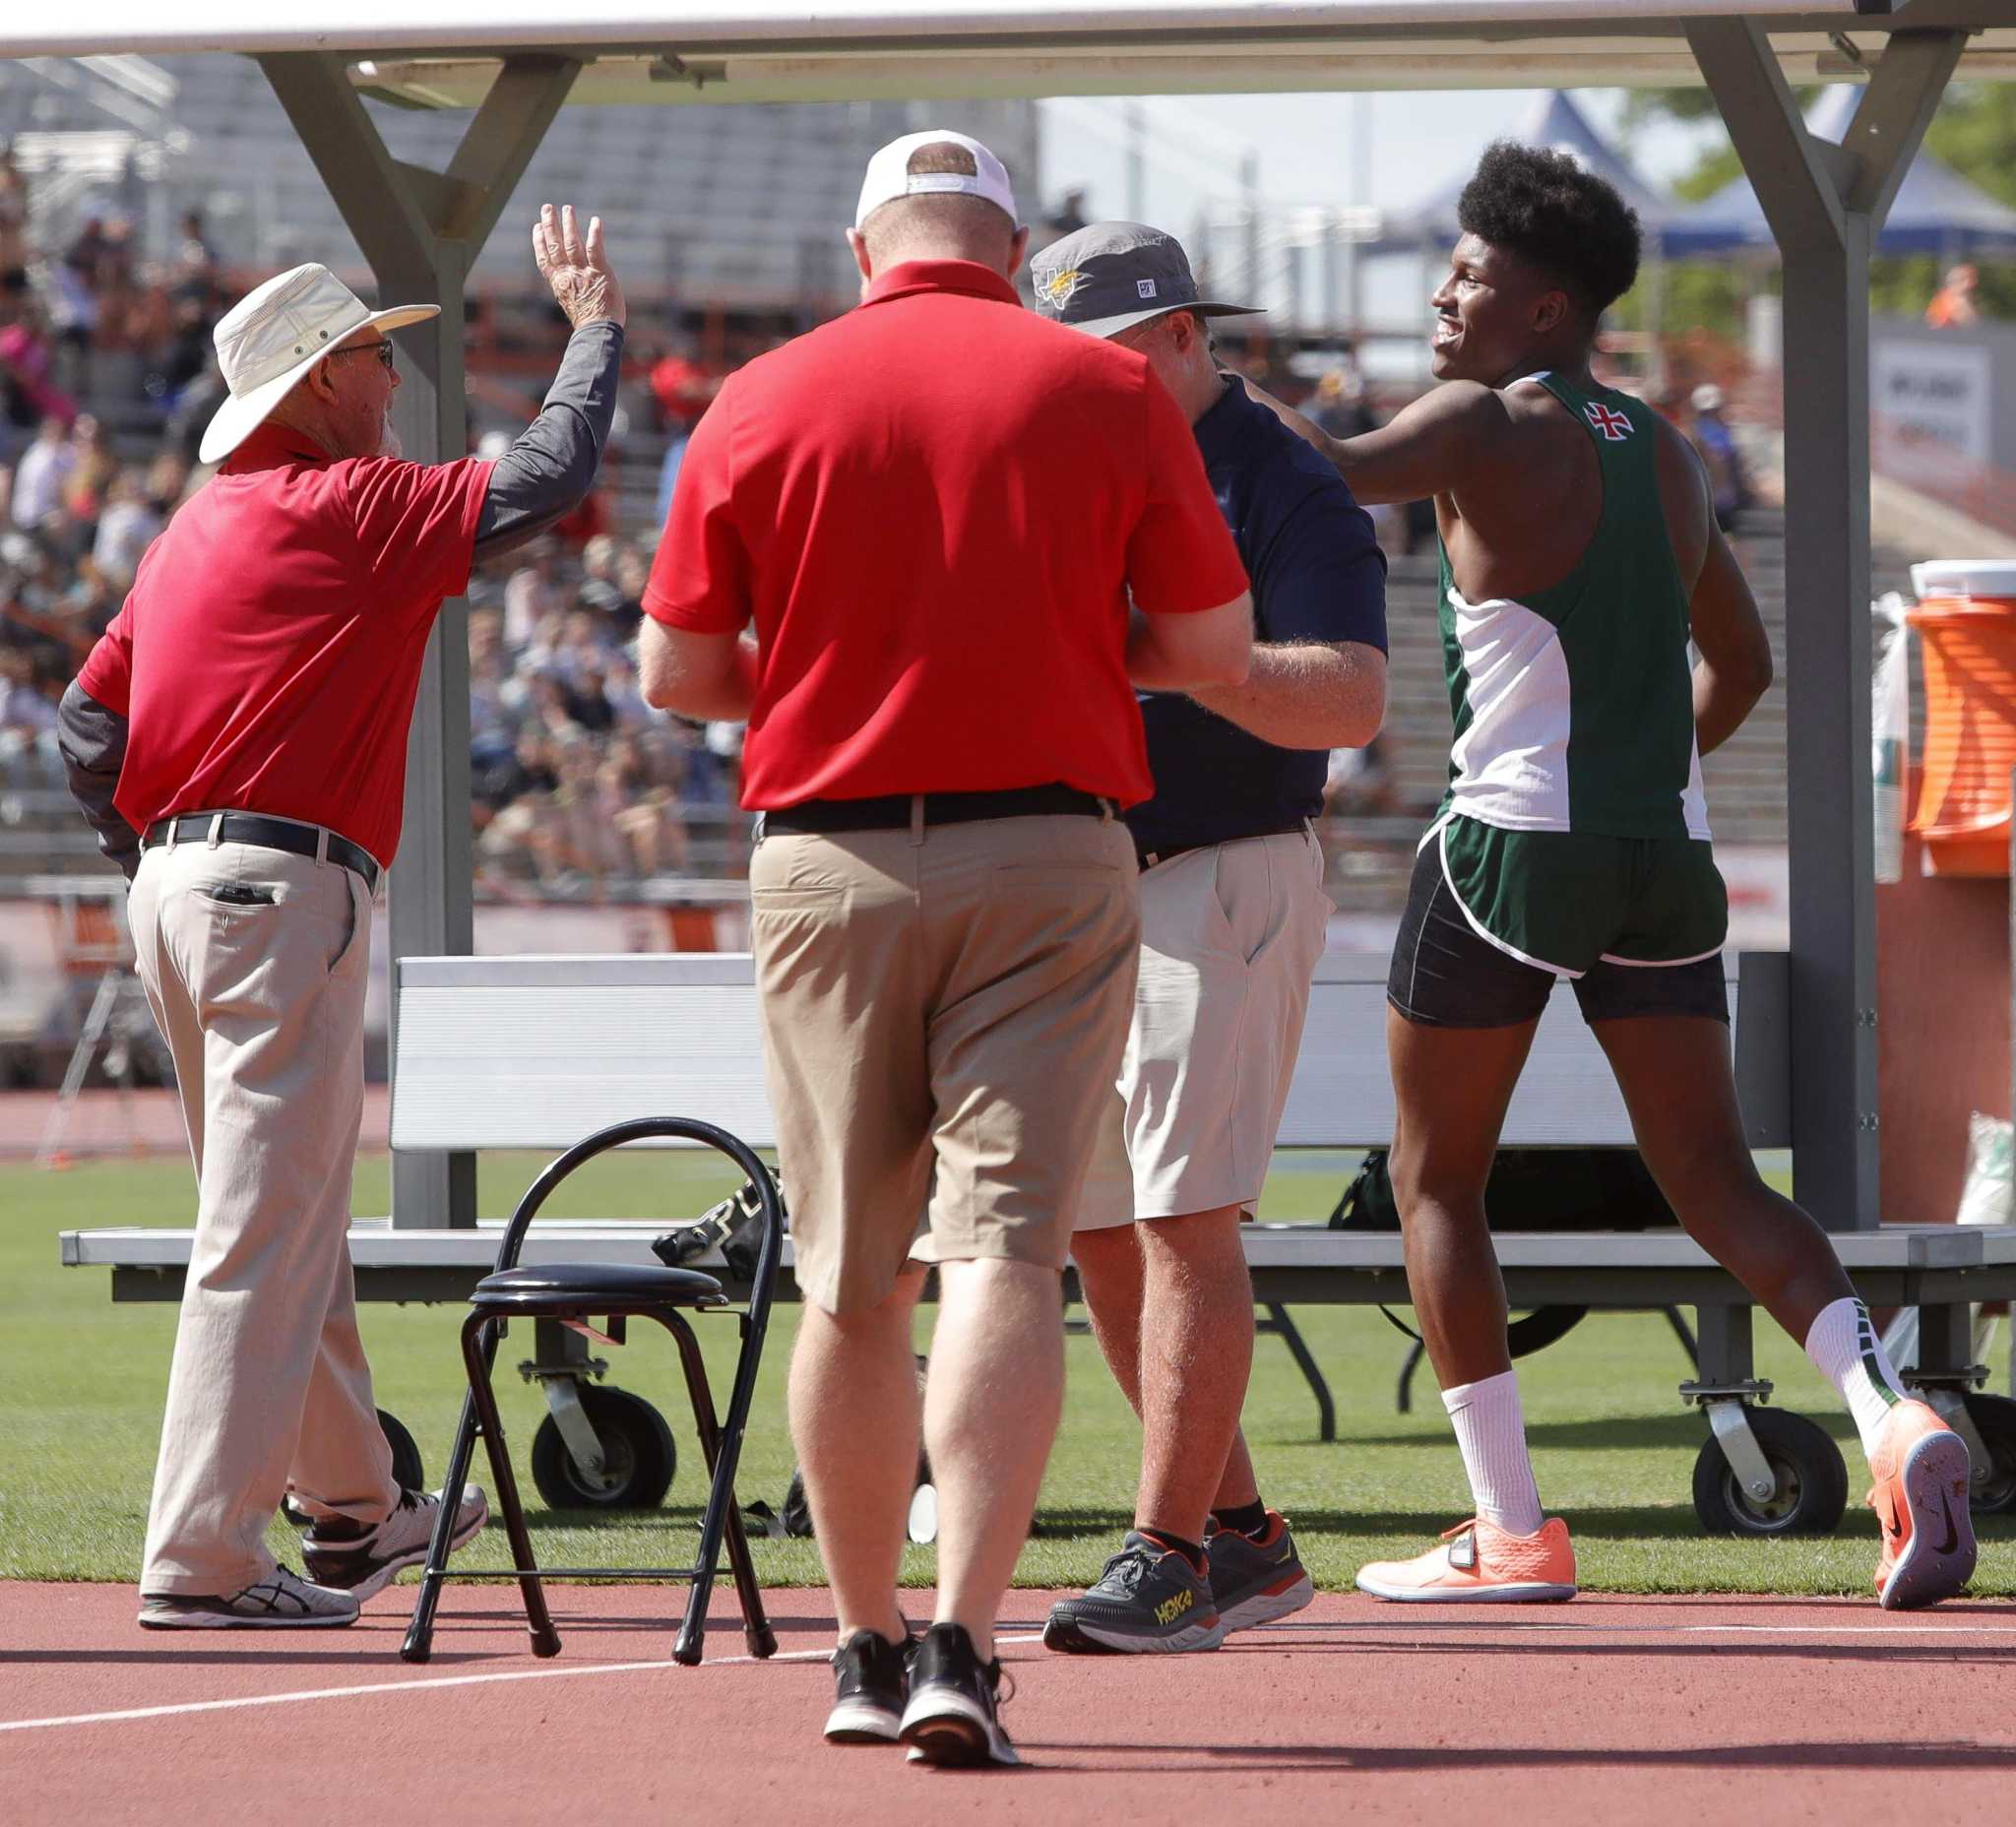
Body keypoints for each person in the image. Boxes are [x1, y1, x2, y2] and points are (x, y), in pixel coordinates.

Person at [1256, 142, 1975, 1610]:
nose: (1445, 297)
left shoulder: (1479, 416)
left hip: (1512, 847)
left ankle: (1512, 1529)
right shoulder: (1669, 448)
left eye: (1471, 277)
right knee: (1713, 1177)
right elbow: (1749, 662)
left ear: (1544, 307)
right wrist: (1642, 782)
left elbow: (1327, 467)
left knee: (1434, 1177)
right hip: (1665, 857)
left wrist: (1200, 380)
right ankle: (1893, 1416)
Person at [638, 130, 1252, 1765]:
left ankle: (855, 1644)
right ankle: (962, 1646)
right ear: (1008, 242)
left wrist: (839, 664)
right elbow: (1208, 647)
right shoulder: (1106, 391)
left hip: (826, 853)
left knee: (848, 1273)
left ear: (862, 251)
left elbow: (675, 672)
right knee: (1005, 1255)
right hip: (1049, 845)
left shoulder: (755, 396)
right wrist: (1045, 638)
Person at [57, 204, 628, 1630]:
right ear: (315, 382)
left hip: (179, 889)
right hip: (271, 885)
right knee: (261, 1228)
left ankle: (357, 1510)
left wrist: (159, 859)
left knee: (280, 1214)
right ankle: (201, 1553)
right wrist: (597, 330)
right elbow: (545, 481)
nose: (388, 377)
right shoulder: (344, 503)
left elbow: (84, 724)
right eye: (370, 356)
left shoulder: (196, 529)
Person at [1019, 222, 1387, 1655]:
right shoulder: (1076, 463)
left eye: (1105, 359)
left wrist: (1180, 654)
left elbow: (1352, 698)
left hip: (1219, 867)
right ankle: (1239, 1537)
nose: (1081, 388)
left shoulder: (1280, 474)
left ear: (1182, 335)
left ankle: (1167, 1551)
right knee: (1100, 1228)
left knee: (1181, 1219)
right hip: (1087, 871)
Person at [1687, 385, 1752, 533]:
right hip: (1712, 495)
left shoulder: (1720, 430)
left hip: (1718, 496)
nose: (1714, 413)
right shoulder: (1700, 432)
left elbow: (1731, 460)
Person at [1925, 263, 1980, 329]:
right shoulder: (1946, 298)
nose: (1968, 285)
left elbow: (1974, 322)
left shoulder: (1962, 298)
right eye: (1964, 280)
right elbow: (1964, 320)